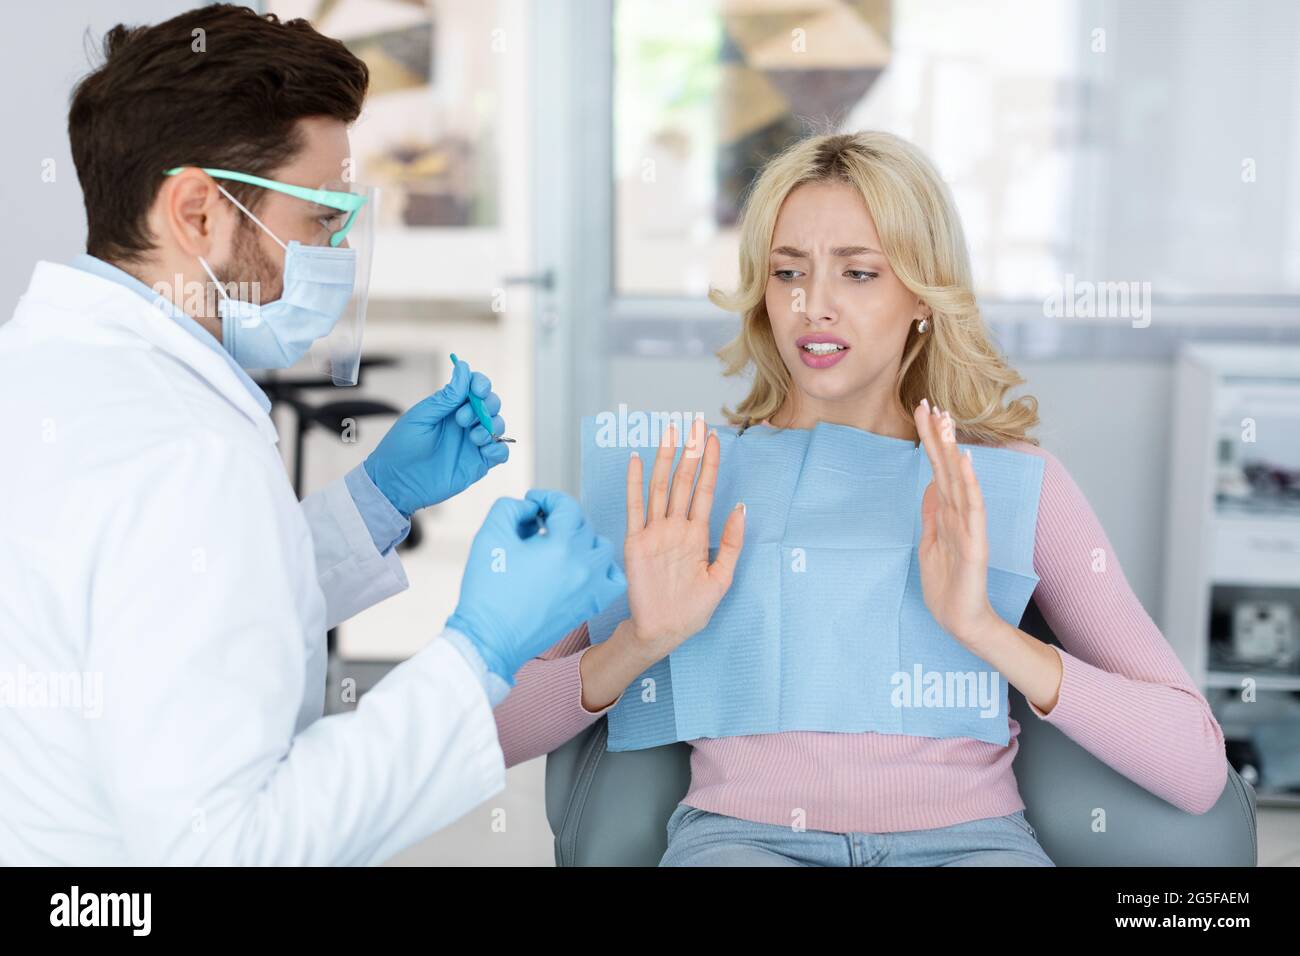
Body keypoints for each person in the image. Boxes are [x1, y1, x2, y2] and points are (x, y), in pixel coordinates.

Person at [486, 131, 1229, 866]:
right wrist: (637, 644)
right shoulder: (681, 484)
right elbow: (487, 732)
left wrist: (986, 631)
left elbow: (1195, 768)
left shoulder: (1010, 482)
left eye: (859, 273)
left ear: (922, 294)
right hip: (740, 842)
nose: (815, 305)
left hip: (971, 847)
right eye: (788, 272)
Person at [0, 4, 623, 865]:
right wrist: (477, 650)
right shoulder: (186, 452)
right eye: (321, 218)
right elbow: (231, 848)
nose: (336, 248)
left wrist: (377, 501)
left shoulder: (47, 376)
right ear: (197, 213)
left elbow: (174, 614)